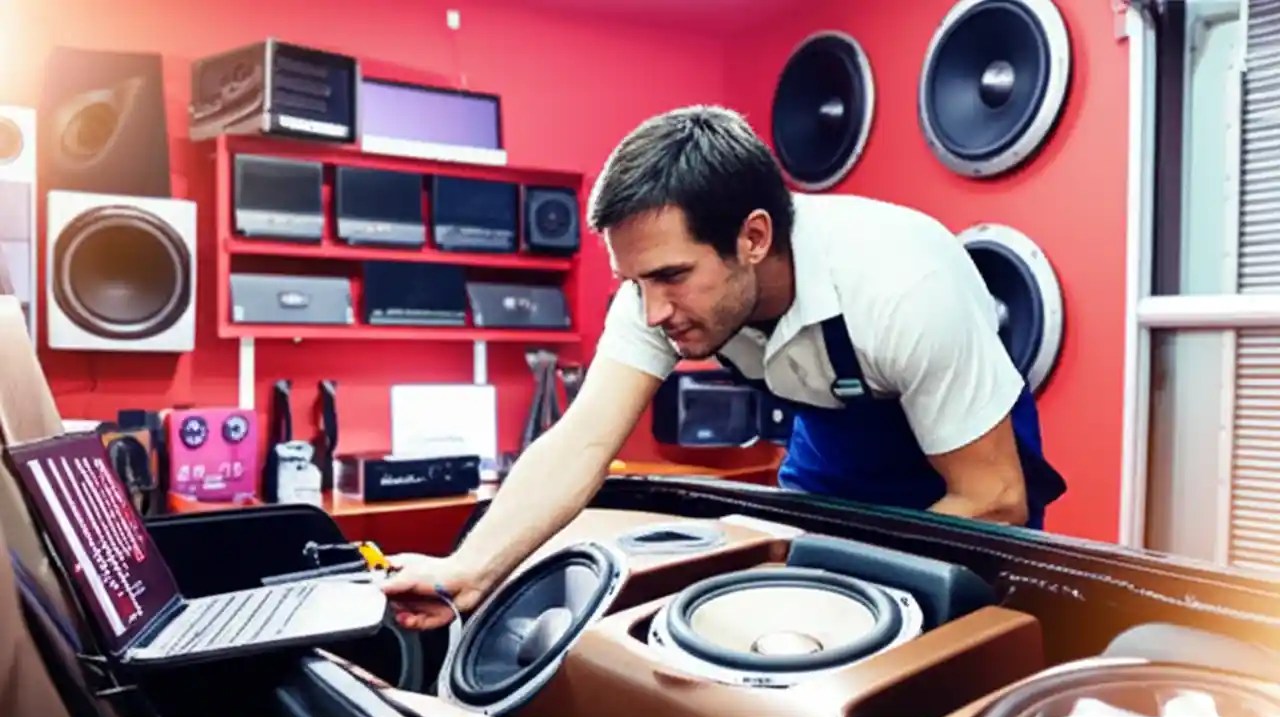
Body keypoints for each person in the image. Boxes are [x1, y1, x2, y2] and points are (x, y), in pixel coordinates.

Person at [380, 105, 1067, 631]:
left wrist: (852, 596)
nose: (652, 312)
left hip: (968, 474)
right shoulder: (656, 294)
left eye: (672, 276)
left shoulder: (903, 283)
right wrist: (466, 573)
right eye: (634, 282)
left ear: (754, 237)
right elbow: (581, 441)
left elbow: (994, 497)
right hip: (831, 454)